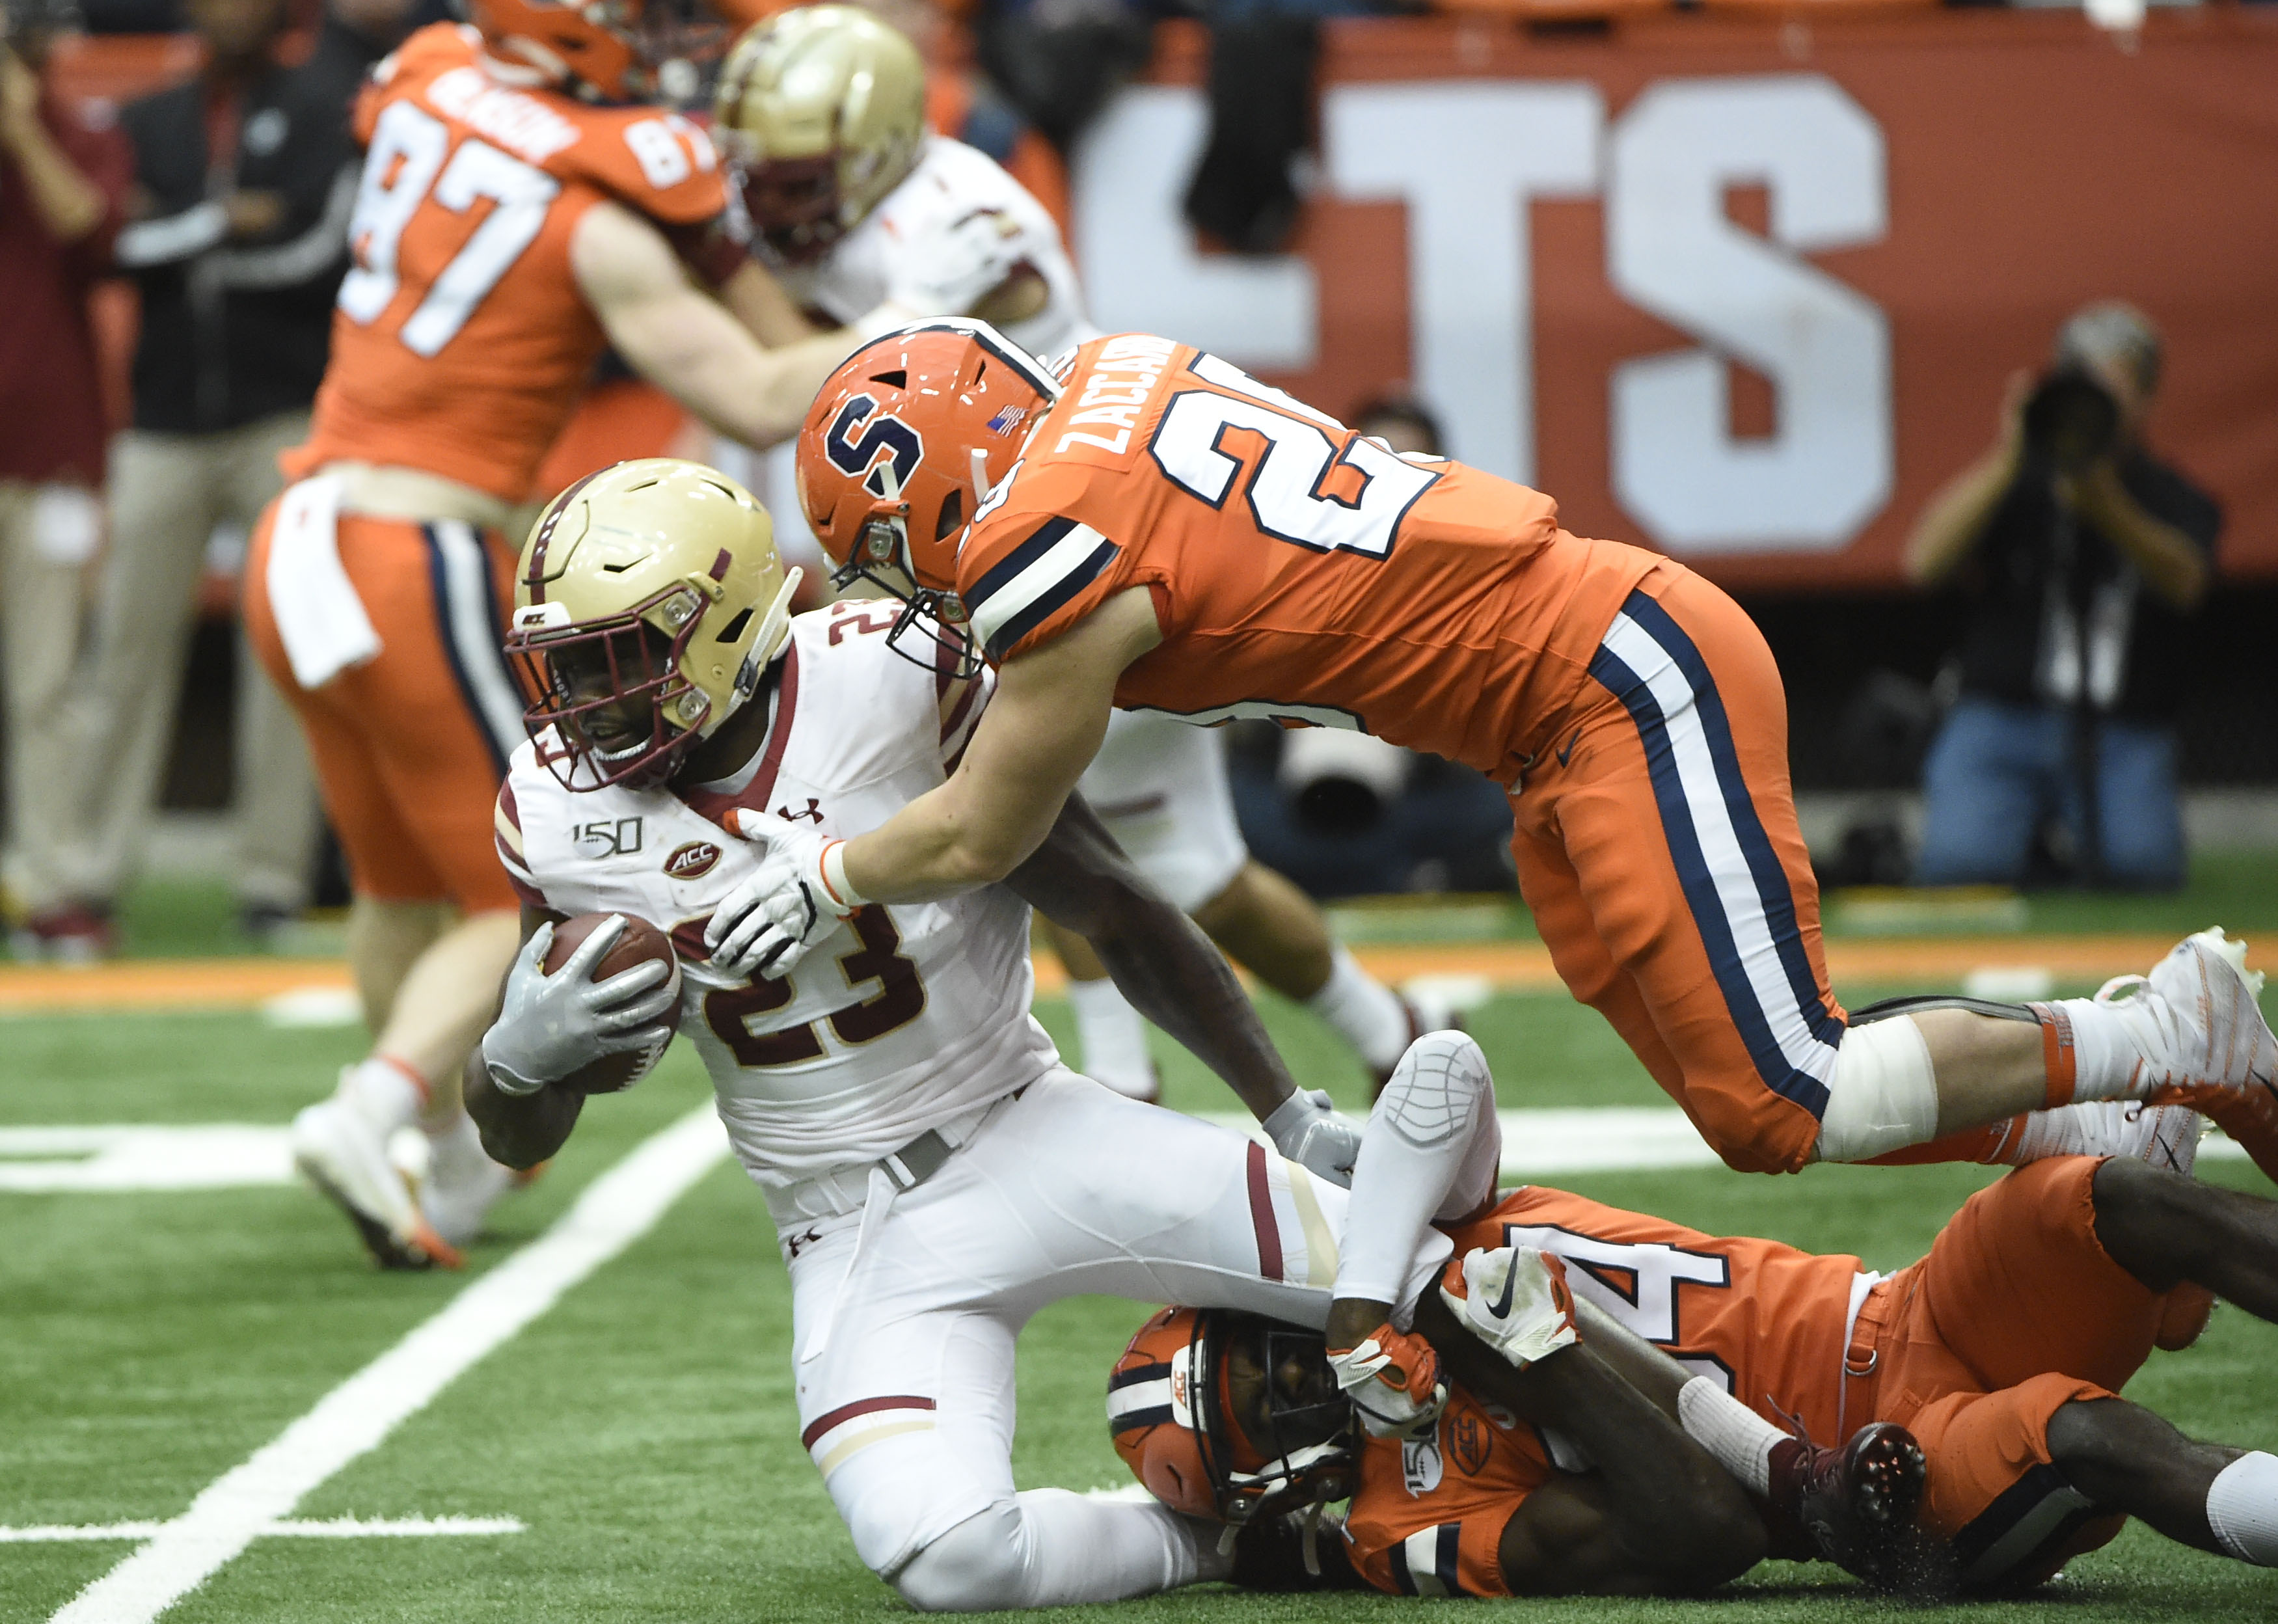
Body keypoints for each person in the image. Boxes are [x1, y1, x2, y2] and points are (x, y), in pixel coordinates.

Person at [724, 319, 2277, 1183]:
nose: (912, 585)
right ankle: (2094, 1115)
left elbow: (990, 830)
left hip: (1612, 677)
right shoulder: (1116, 379)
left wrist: (823, 865)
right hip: (1553, 711)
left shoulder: (1048, 553)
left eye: (892, 548)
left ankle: (2166, 1033)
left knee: (1796, 1082)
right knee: (1751, 1119)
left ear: (931, 503)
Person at [465, 459, 1426, 1612]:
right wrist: (513, 1057)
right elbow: (521, 1137)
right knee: (953, 1561)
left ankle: (1673, 1374)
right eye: (564, 667)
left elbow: (1112, 902)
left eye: (613, 663)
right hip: (845, 1226)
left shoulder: (892, 676)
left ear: (719, 630)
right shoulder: (557, 810)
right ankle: (1228, 1546)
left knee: (1415, 1274)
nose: (583, 701)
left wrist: (1284, 1109)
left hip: (1032, 1123)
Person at [251, 0, 1006, 1271]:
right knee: (512, 879)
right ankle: (378, 1105)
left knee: (395, 879)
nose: (668, 39)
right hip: (411, 543)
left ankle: (433, 1151)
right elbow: (757, 395)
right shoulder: (591, 216)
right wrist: (917, 312)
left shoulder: (428, 83)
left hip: (303, 524)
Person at [712, 5, 1437, 1102]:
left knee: (1041, 829)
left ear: (878, 147)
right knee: (1190, 870)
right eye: (760, 175)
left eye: (797, 175)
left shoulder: (954, 228)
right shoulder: (889, 212)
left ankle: (1124, 1078)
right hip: (1038, 540)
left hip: (1065, 552)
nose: (771, 201)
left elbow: (797, 391)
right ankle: (1385, 1025)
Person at [1117, 1031, 2278, 1598]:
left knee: (2113, 1199)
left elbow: (1443, 1067)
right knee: (2081, 1435)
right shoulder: (1402, 1516)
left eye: (1268, 1359)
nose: (1302, 1386)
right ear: (1265, 1478)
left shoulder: (1411, 1236)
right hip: (1881, 1487)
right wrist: (1545, 1369)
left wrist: (1375, 1297)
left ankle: (2165, 1289)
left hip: (1906, 1304)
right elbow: (1702, 1537)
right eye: (1266, 1415)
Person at [51, 0, 359, 953]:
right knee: (120, 653)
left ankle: (269, 880)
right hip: (164, 419)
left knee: (285, 653)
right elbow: (111, 244)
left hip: (282, 414)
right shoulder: (154, 117)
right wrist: (220, 226)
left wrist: (185, 236)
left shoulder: (325, 108)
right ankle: (83, 880)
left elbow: (321, 253)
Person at [1905, 303, 2219, 892]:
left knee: (2142, 871)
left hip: (2120, 725)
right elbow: (1925, 560)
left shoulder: (2167, 495)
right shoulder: (2014, 484)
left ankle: (2046, 846)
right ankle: (2025, 842)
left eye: (2113, 389)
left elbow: (2186, 582)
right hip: (2000, 714)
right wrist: (2010, 454)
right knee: (1957, 869)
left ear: (2146, 399)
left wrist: (2107, 508)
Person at [0, 0, 128, 960]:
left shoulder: (77, 134)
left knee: (47, 681)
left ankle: (52, 880)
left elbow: (93, 232)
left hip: (43, 453)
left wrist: (16, 127)